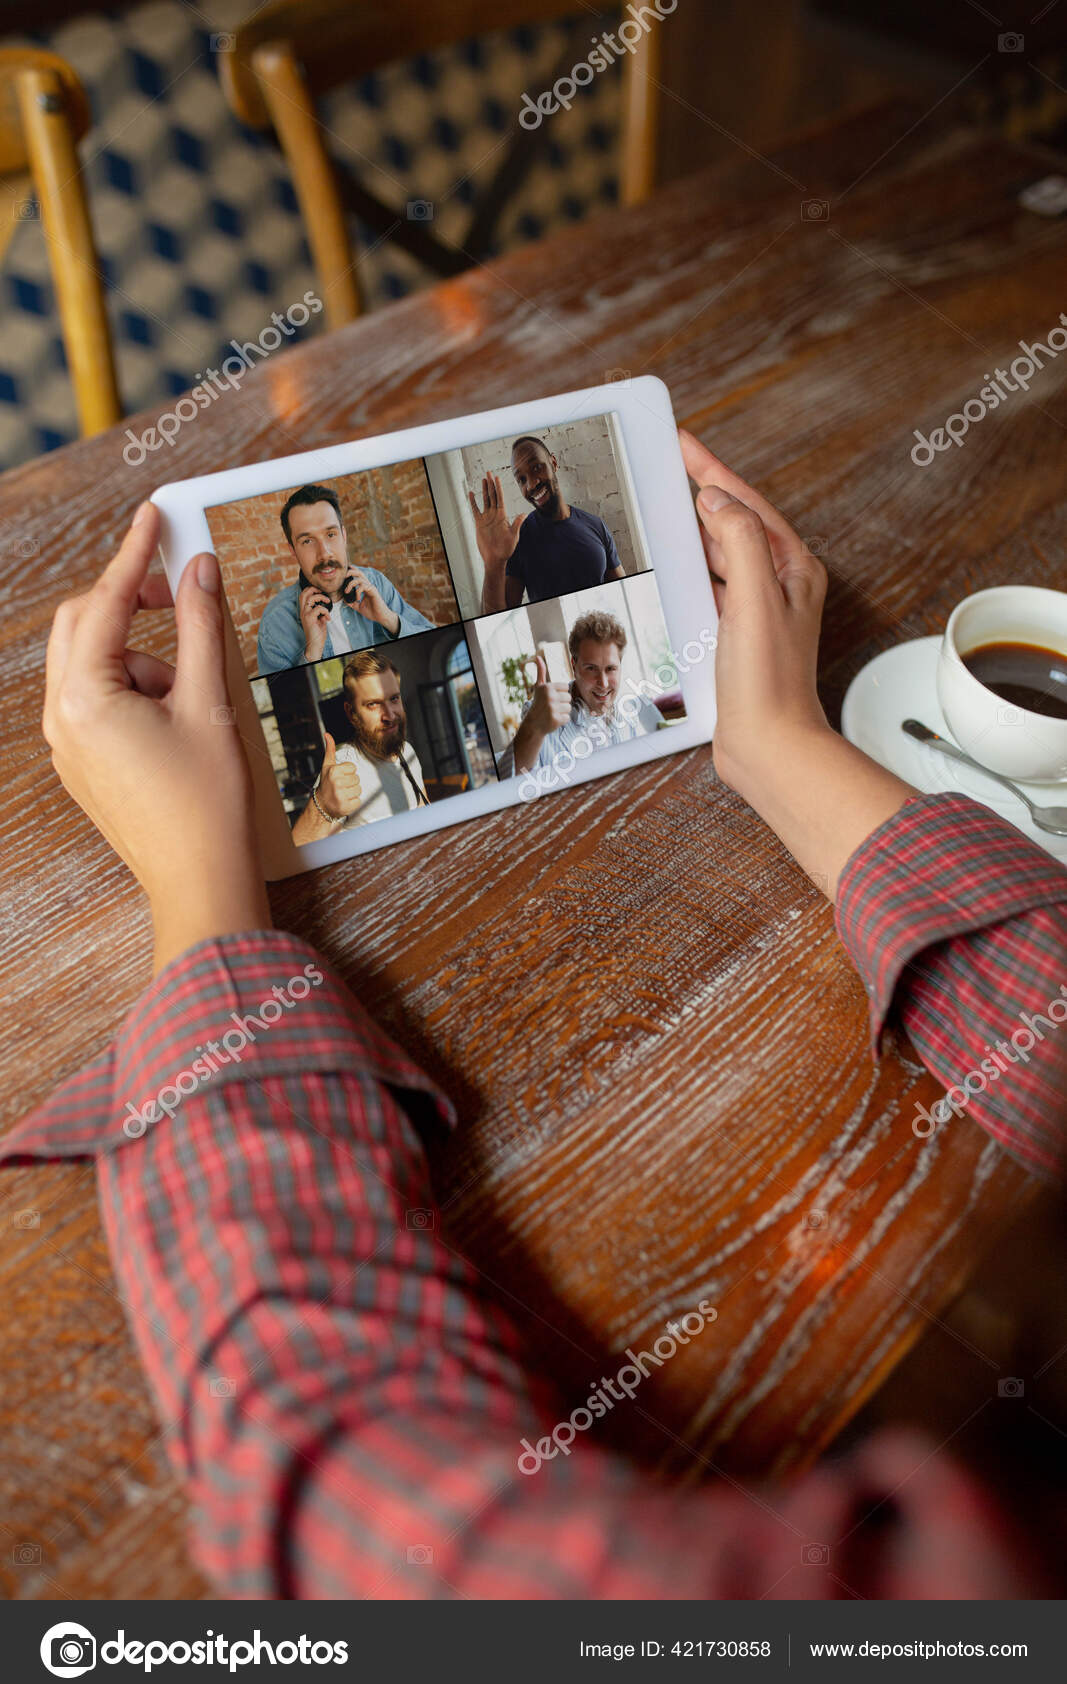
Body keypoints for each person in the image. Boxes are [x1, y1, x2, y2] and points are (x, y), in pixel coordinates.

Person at [13, 429, 1065, 1600]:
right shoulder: (283, 629)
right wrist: (778, 743)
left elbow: (348, 1493)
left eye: (329, 537)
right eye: (302, 541)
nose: (320, 555)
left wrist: (199, 891)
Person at [256, 483, 435, 675]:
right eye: (307, 541)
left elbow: (432, 639)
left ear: (344, 535)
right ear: (293, 550)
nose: (324, 554)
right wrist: (311, 654)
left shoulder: (377, 583)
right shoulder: (274, 624)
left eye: (331, 534)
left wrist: (389, 619)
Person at [497, 610, 661, 781]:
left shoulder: (630, 709)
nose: (603, 683)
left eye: (611, 669)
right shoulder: (539, 714)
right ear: (574, 666)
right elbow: (509, 785)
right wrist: (533, 728)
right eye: (591, 668)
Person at [471, 435, 625, 615]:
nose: (531, 483)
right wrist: (493, 564)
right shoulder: (518, 540)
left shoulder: (596, 525)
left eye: (536, 467)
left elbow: (623, 593)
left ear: (553, 463)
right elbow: (496, 619)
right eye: (521, 479)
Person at [291, 651, 428, 844]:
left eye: (394, 699)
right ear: (351, 712)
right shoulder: (342, 767)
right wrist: (322, 805)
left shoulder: (408, 751)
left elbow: (424, 812)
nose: (389, 715)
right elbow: (297, 853)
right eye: (373, 704)